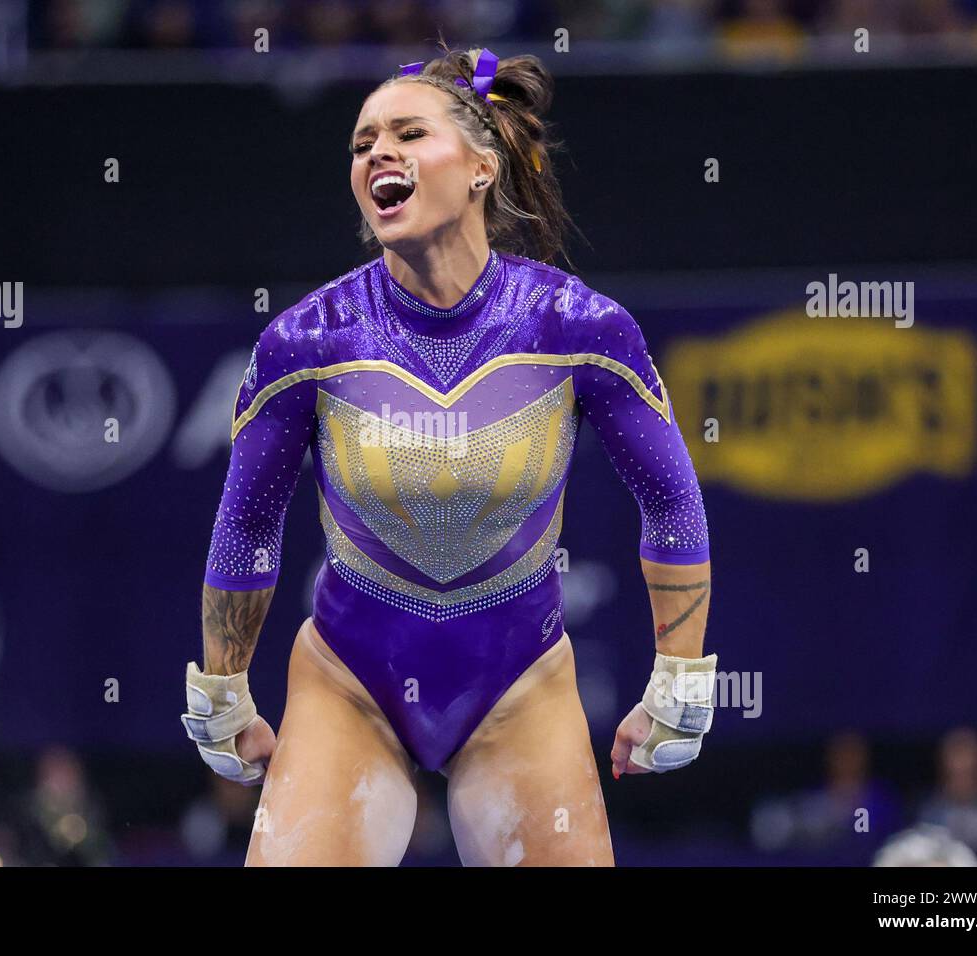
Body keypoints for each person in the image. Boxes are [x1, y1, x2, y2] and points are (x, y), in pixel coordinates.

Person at [182, 42, 716, 866]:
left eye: (406, 134)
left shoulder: (576, 328)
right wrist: (221, 690)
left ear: (481, 167)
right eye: (362, 144)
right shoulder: (309, 340)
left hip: (520, 685)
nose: (378, 154)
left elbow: (672, 501)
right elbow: (249, 522)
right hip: (349, 684)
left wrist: (680, 677)